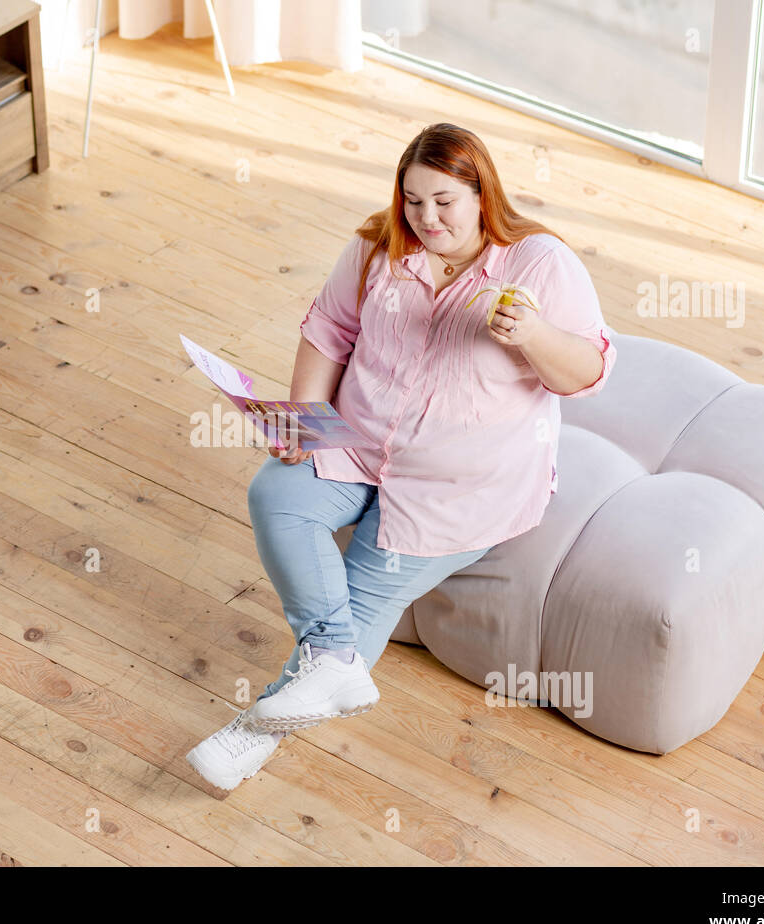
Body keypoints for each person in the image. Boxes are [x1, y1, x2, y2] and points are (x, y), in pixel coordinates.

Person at [186, 122, 618, 791]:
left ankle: (249, 739)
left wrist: (533, 334)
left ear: (482, 194)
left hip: (458, 482)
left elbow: (584, 373)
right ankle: (332, 659)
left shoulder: (541, 264)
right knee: (274, 496)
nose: (426, 218)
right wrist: (304, 418)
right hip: (357, 437)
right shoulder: (378, 244)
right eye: (413, 200)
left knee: (360, 598)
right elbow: (331, 326)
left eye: (444, 201)